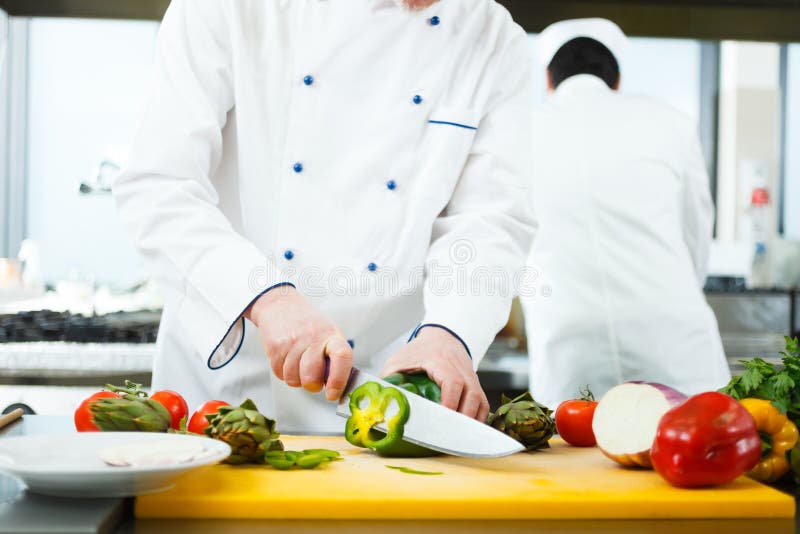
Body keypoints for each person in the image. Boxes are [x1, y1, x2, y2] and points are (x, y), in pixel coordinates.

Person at [114, 0, 536, 433]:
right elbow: (160, 183)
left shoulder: (493, 36)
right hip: (232, 391)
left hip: (390, 396)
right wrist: (269, 298)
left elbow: (493, 219)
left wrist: (451, 333)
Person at [521, 18, 730, 408]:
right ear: (616, 80)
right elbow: (696, 236)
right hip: (673, 336)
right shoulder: (671, 123)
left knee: (574, 461)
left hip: (568, 344)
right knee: (699, 452)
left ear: (548, 81)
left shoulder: (521, 131)